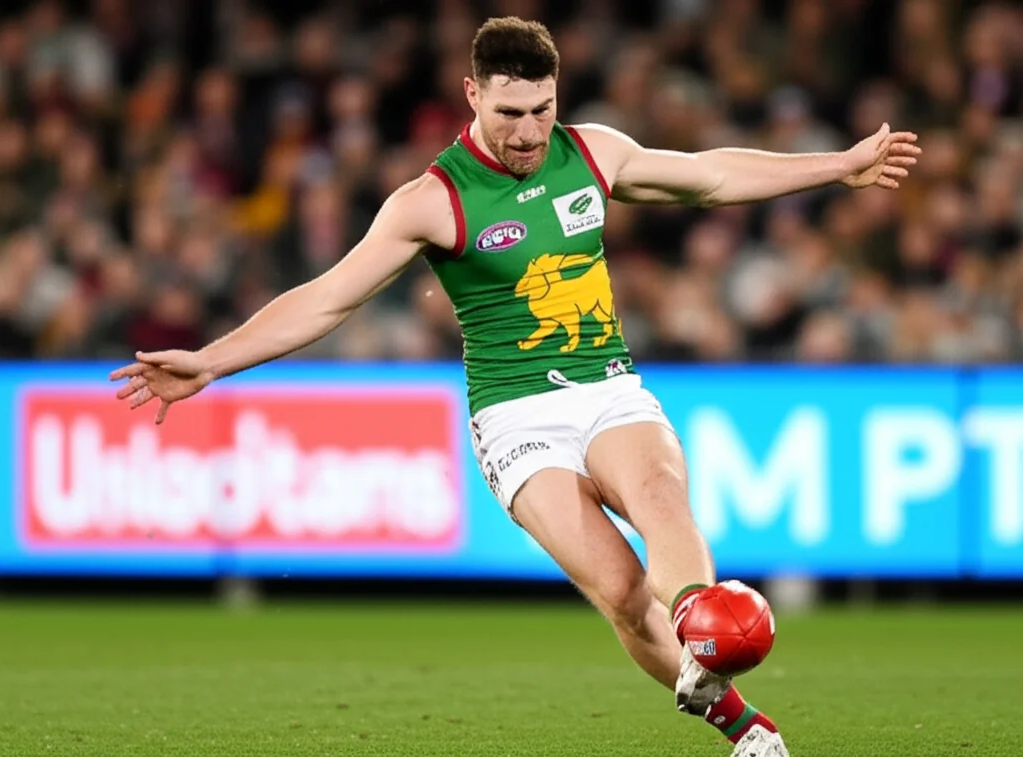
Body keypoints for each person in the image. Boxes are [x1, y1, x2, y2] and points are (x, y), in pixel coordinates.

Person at [110, 17, 920, 757]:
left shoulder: (591, 150)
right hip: (515, 416)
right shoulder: (433, 200)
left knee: (663, 497)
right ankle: (740, 722)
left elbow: (707, 176)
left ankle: (702, 636)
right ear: (473, 95)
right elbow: (327, 296)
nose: (530, 131)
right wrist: (212, 361)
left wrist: (839, 166)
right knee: (618, 589)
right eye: (510, 113)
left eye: (542, 109)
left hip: (607, 387)